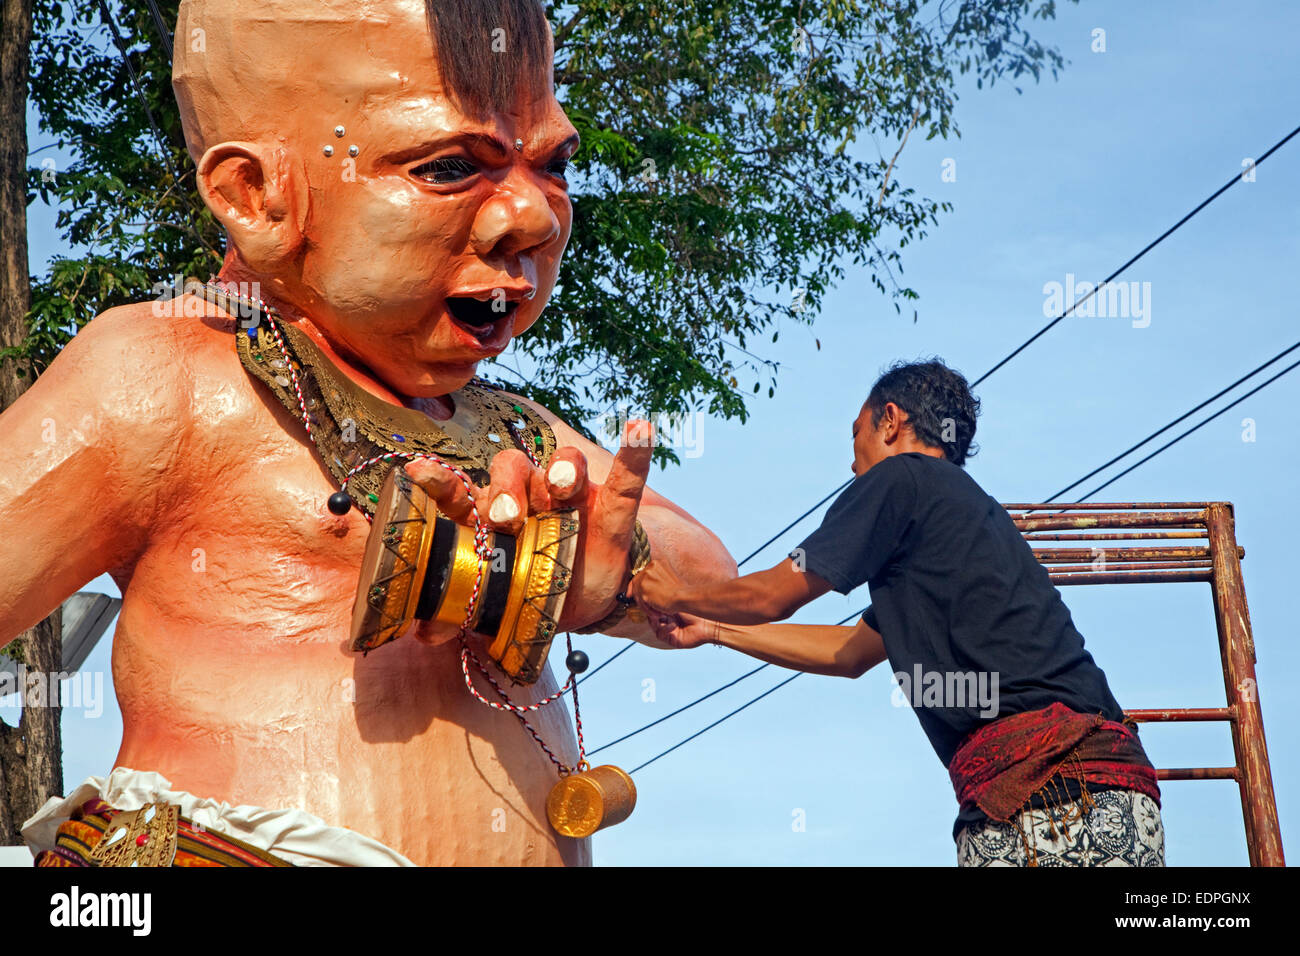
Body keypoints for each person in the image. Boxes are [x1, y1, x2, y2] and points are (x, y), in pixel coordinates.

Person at [0, 0, 736, 867]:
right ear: (257, 195)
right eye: (453, 165)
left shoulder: (512, 429)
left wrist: (590, 573)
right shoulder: (167, 376)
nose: (531, 218)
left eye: (551, 164)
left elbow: (711, 578)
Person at [632, 359, 1166, 867]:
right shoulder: (955, 518)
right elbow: (849, 653)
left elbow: (772, 594)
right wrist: (715, 630)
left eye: (856, 435)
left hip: (1049, 794)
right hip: (1108, 794)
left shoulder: (900, 480)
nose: (852, 460)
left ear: (890, 421)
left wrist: (675, 592)